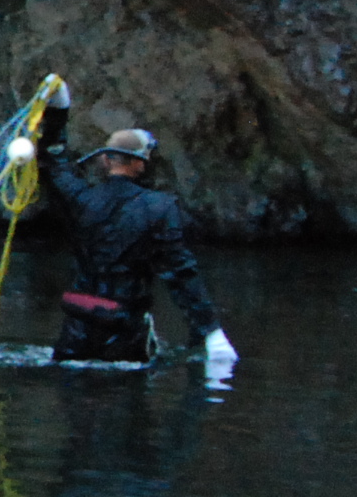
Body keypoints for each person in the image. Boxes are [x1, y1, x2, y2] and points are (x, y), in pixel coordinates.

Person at [34, 79, 238, 378]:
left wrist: (58, 111)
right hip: (125, 334)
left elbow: (53, 160)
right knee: (127, 405)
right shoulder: (159, 208)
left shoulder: (80, 199)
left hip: (76, 328)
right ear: (141, 164)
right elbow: (181, 274)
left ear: (105, 159)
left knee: (75, 403)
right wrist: (210, 331)